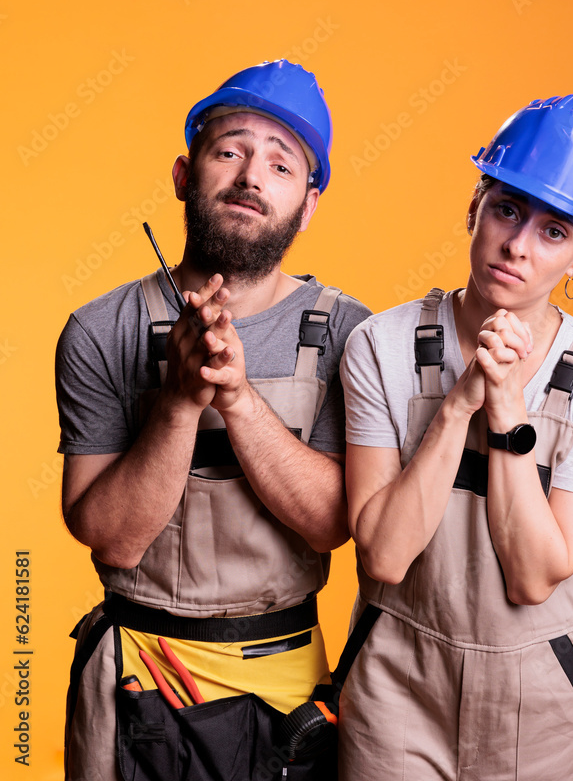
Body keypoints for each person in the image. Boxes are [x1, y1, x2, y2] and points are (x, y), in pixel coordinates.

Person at [56, 59, 371, 781]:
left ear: (308, 202)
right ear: (182, 174)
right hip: (138, 678)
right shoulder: (101, 329)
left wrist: (235, 395)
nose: (250, 176)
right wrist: (178, 401)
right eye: (228, 150)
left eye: (280, 164)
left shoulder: (350, 332)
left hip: (286, 684)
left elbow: (328, 523)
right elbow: (112, 540)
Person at [338, 94, 573, 781]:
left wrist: (504, 407)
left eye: (554, 232)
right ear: (474, 205)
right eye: (506, 209)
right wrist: (458, 403)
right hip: (395, 690)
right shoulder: (378, 346)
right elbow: (383, 555)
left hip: (541, 701)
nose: (517, 246)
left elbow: (535, 575)